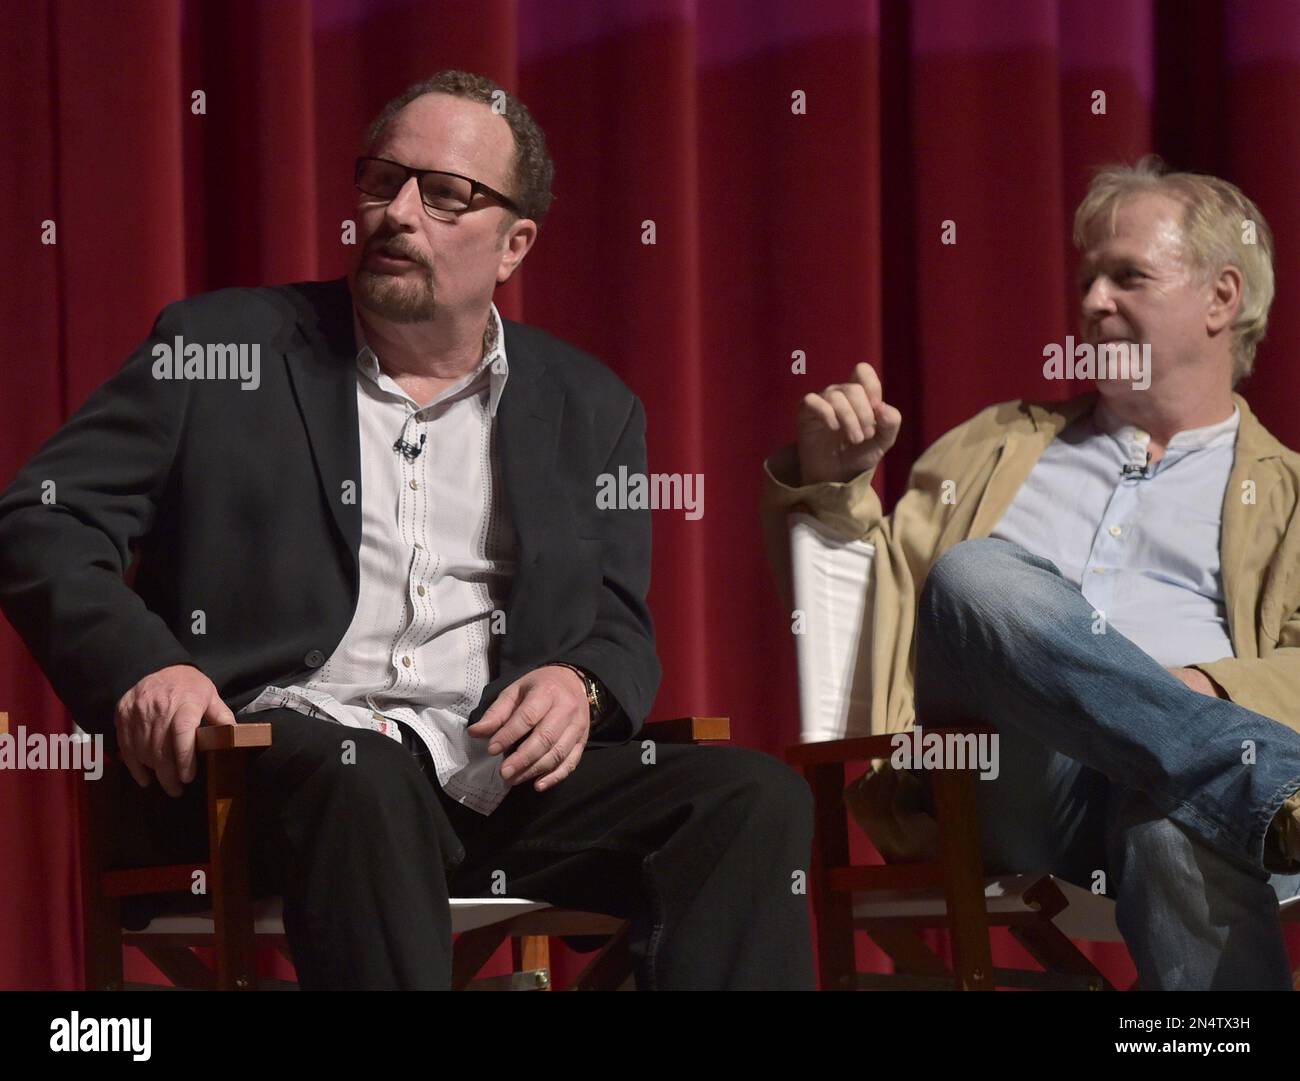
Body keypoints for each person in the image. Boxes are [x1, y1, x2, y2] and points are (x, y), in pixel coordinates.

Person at [0, 69, 815, 991]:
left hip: (484, 779)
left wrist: (581, 686)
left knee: (750, 797)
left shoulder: (592, 407)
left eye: (447, 195)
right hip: (265, 772)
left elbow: (619, 625)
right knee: (365, 768)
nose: (398, 212)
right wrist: (146, 664)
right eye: (384, 180)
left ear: (515, 244)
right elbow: (43, 517)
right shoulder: (218, 349)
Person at [761, 156, 1300, 990]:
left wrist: (1202, 686)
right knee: (976, 577)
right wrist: (833, 485)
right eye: (1087, 280)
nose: (1091, 303)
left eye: (1128, 277)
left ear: (1222, 299)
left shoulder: (1292, 494)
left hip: (1180, 797)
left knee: (1175, 814)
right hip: (1007, 779)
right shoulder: (990, 446)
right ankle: (1262, 779)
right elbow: (882, 610)